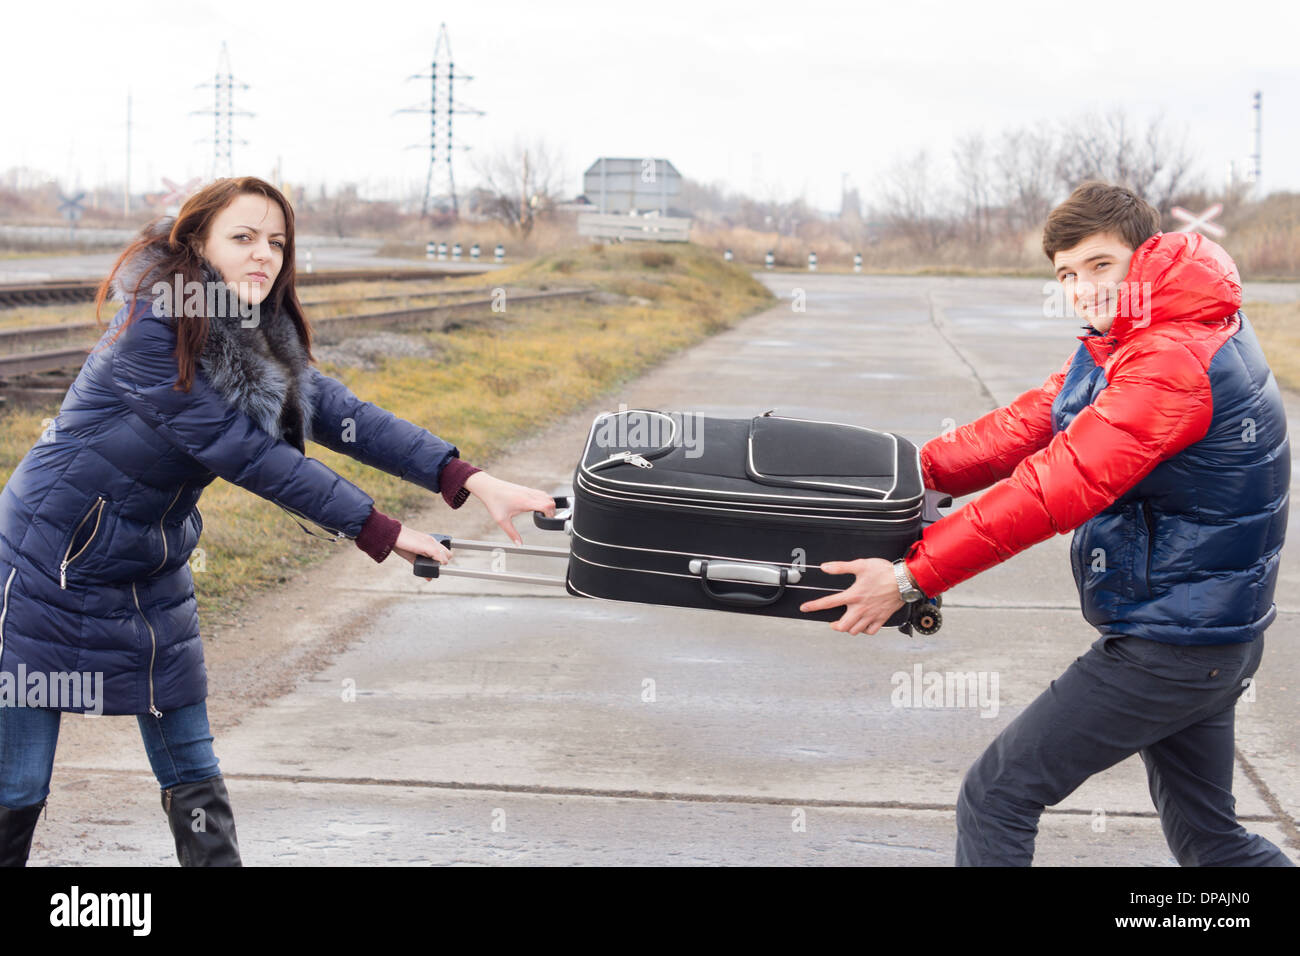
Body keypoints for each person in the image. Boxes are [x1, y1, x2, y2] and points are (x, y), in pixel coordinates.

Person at [0, 176, 556, 867]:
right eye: (242, 238)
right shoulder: (152, 333)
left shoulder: (253, 330)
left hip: (148, 564)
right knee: (18, 780)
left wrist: (468, 479)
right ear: (196, 242)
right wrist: (379, 529)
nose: (264, 254)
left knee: (191, 765)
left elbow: (340, 415)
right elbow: (248, 455)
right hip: (43, 565)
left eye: (276, 242)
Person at [801, 180, 1293, 867]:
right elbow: (1025, 427)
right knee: (1212, 844)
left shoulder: (1168, 362)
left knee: (996, 796)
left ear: (1146, 257)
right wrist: (902, 476)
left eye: (1100, 265)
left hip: (1173, 647)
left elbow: (1051, 490)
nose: (1084, 288)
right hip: (1206, 636)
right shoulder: (1144, 336)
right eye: (1067, 274)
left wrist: (911, 576)